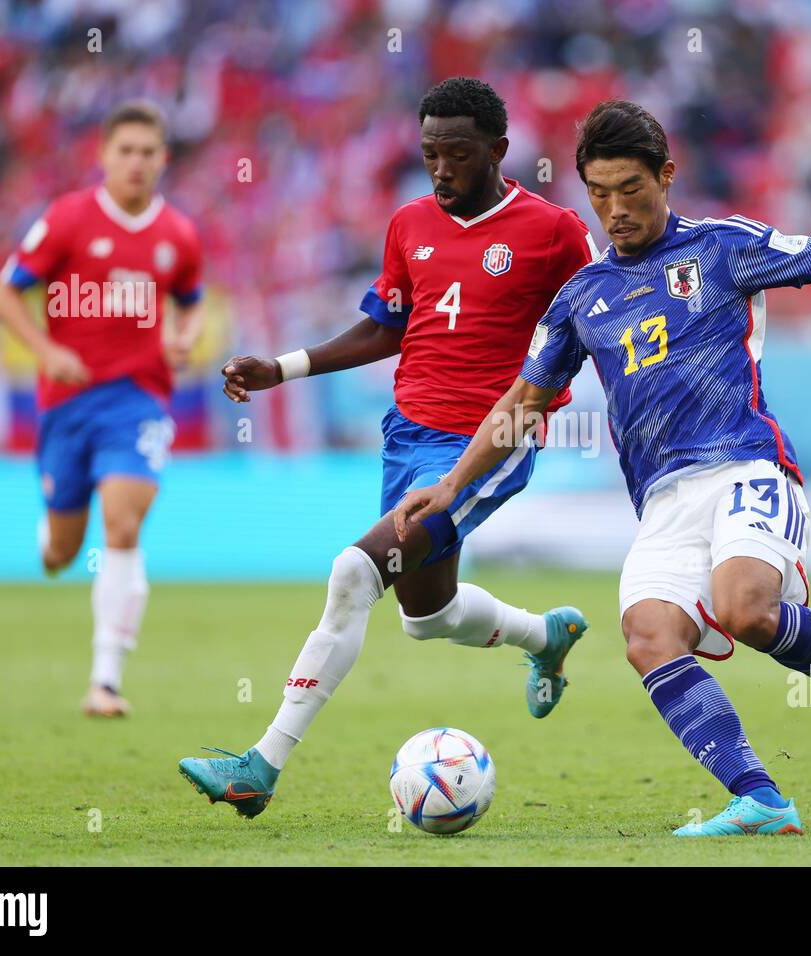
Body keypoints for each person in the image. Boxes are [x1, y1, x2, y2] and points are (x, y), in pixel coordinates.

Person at [396, 100, 811, 837]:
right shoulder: (581, 299)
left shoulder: (722, 247)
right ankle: (762, 801)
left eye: (631, 190)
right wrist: (453, 487)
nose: (615, 210)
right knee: (648, 637)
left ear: (667, 176)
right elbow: (524, 401)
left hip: (747, 468)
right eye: (599, 194)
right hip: (662, 504)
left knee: (745, 608)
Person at [178, 78, 597, 818]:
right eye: (431, 152)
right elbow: (388, 327)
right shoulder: (409, 224)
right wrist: (283, 368)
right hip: (409, 435)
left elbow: (602, 321)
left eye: (458, 155)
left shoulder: (555, 231)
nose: (441, 169)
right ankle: (546, 636)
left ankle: (260, 766)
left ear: (499, 152)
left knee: (352, 573)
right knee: (424, 615)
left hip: (488, 438)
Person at [0, 100, 204, 717]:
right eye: (125, 151)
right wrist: (45, 349)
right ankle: (55, 531)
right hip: (66, 404)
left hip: (137, 398)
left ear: (163, 159)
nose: (136, 163)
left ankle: (104, 680)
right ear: (104, 156)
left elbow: (190, 297)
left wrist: (184, 335)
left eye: (148, 153)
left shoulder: (178, 235)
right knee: (61, 552)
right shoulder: (66, 220)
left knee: (123, 525)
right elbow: (4, 294)